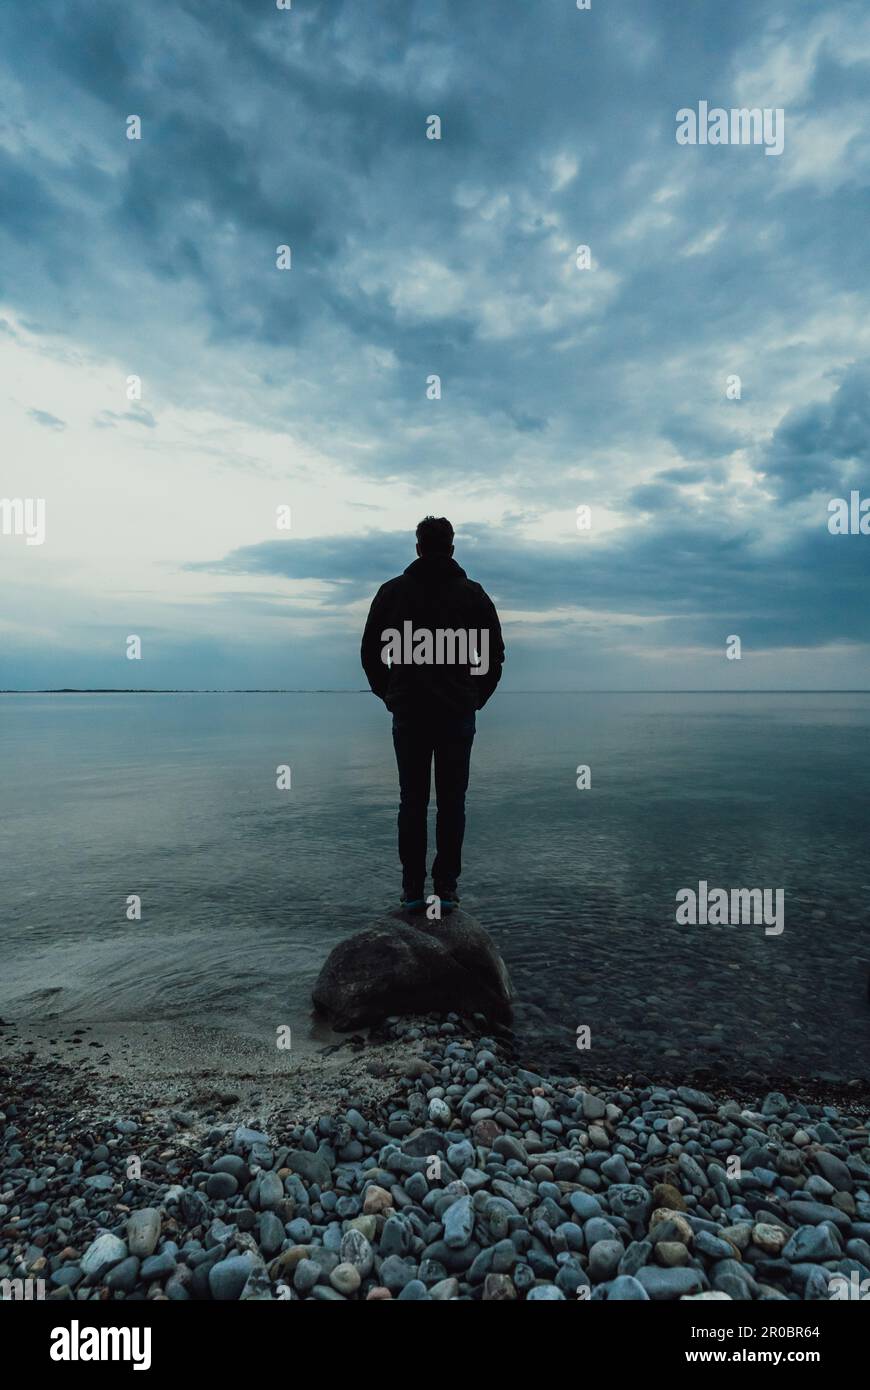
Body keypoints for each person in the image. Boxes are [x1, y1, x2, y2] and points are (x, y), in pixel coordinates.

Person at [361, 516, 504, 913]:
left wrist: (389, 694)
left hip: (410, 712)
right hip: (456, 712)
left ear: (419, 547)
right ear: (452, 548)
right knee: (452, 802)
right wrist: (477, 696)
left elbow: (370, 652)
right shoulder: (473, 594)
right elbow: (494, 655)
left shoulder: (392, 592)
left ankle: (411, 890)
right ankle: (446, 889)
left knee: (412, 801)